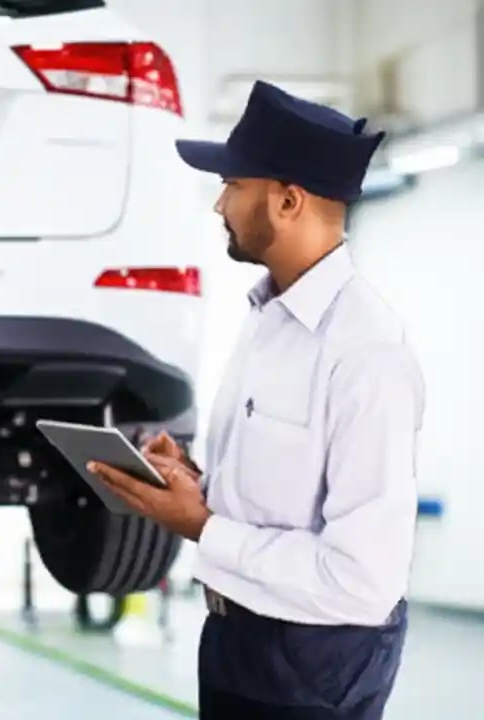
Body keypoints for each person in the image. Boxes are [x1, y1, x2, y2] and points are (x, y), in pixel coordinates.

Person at [85, 80, 425, 719]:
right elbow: (282, 502)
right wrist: (197, 486)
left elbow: (362, 582)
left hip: (314, 663)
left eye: (234, 185)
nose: (219, 205)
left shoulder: (366, 353)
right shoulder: (266, 320)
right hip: (236, 636)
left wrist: (202, 526)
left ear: (288, 200)